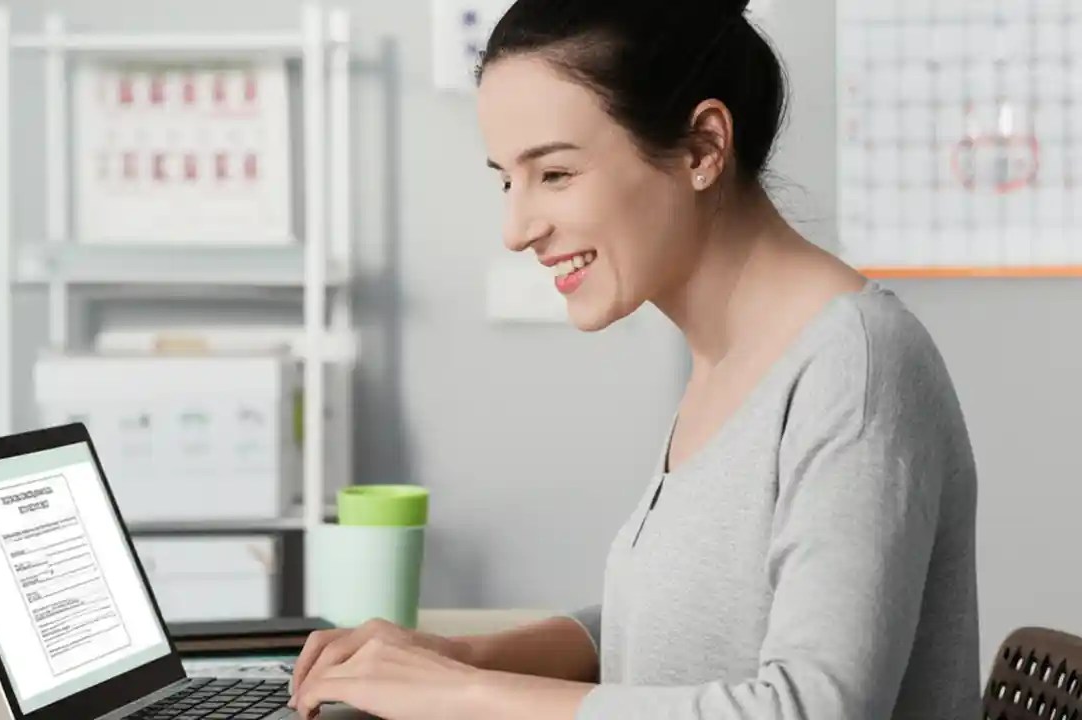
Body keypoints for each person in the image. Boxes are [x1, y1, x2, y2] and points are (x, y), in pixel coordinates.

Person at [288, 0, 981, 717]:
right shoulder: (726, 361)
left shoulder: (856, 369)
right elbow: (669, 628)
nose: (516, 228)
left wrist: (463, 694)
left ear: (702, 148)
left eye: (553, 174)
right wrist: (458, 656)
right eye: (506, 179)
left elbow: (809, 708)